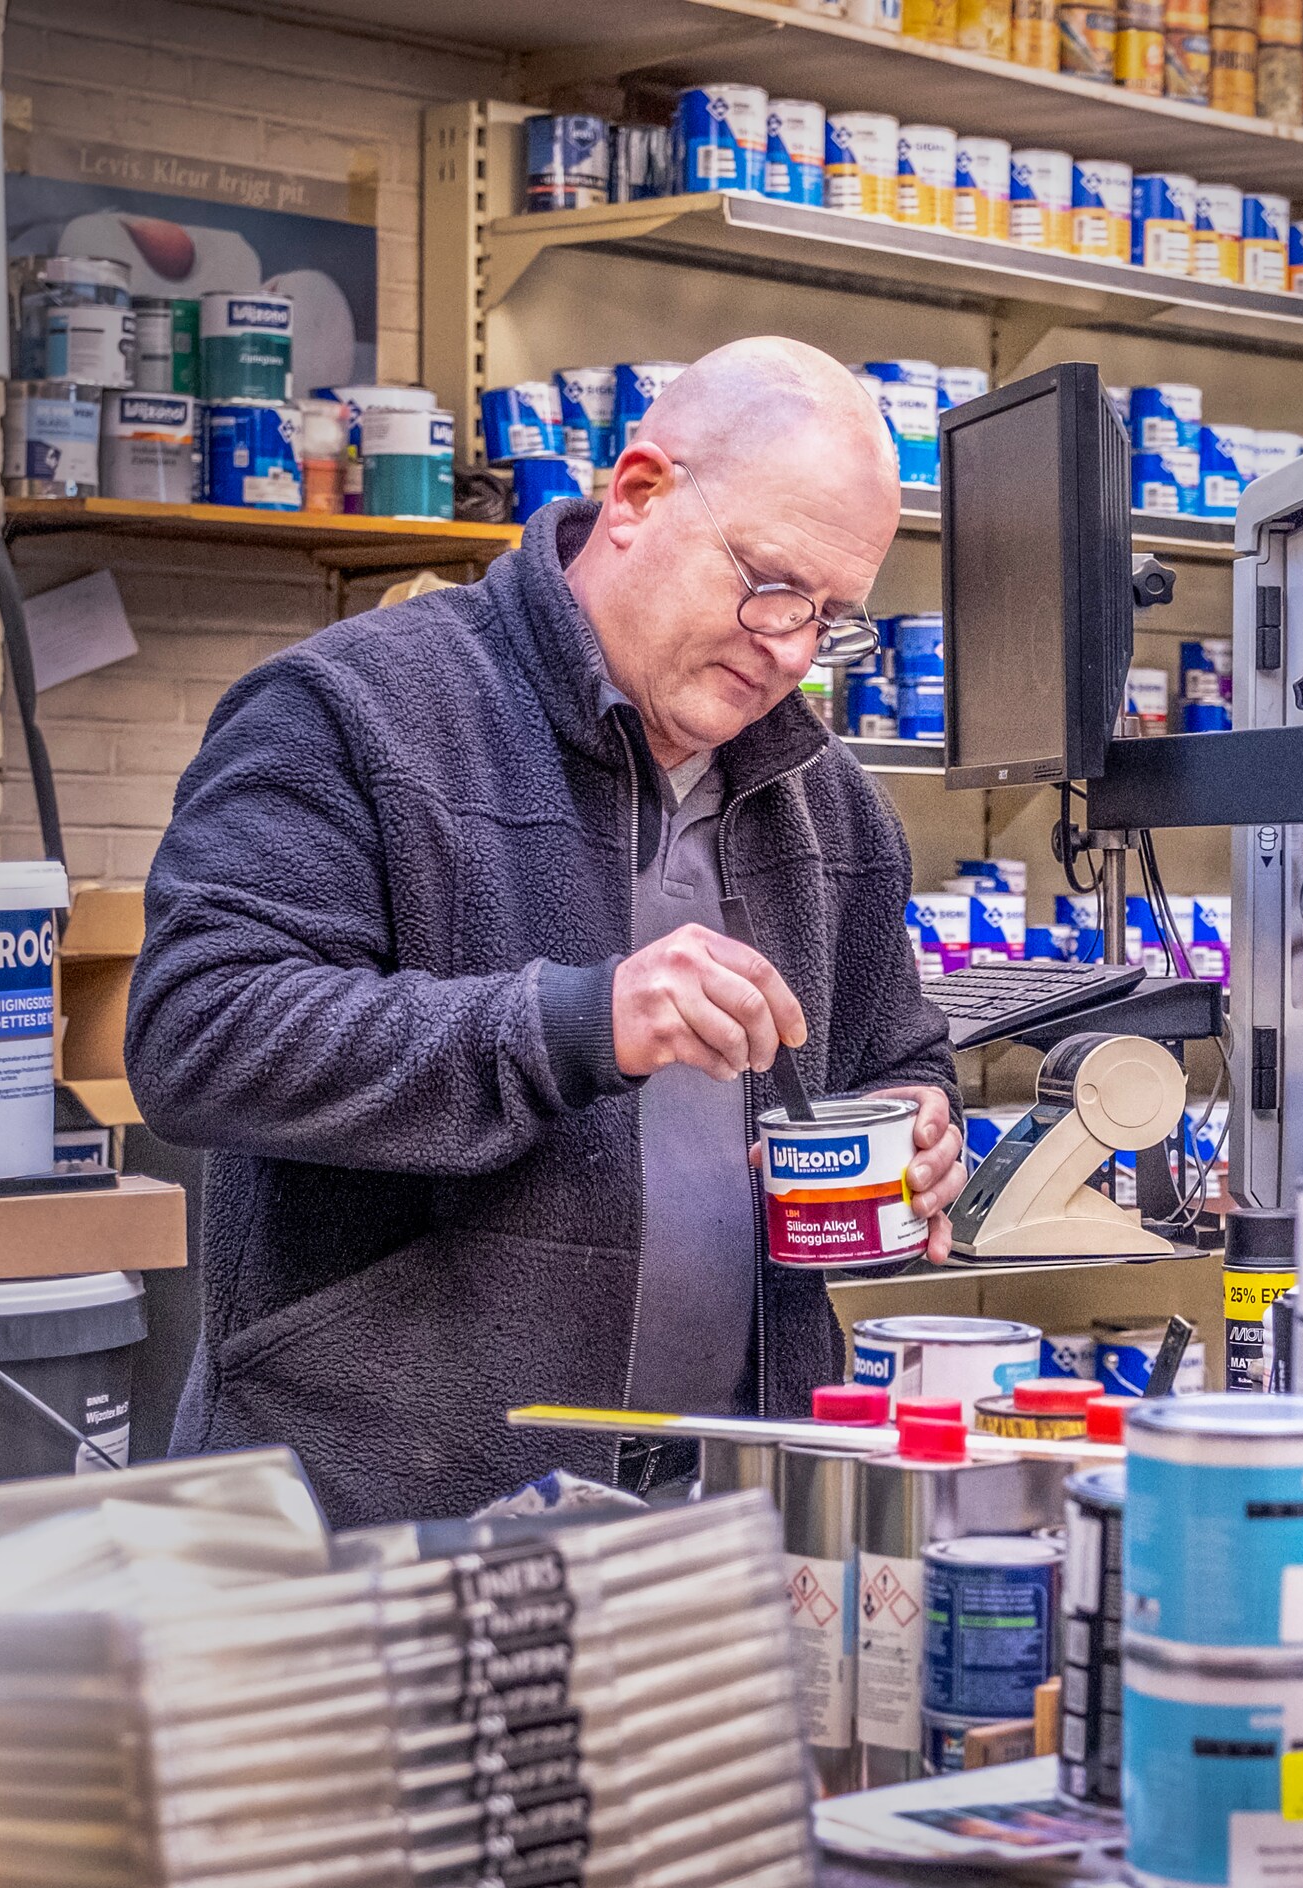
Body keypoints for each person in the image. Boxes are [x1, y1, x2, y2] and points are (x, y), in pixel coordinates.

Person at [128, 338, 965, 1523]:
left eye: (830, 617)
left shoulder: (828, 805)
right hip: (378, 1525)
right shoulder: (351, 711)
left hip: (717, 1521)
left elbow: (896, 1054)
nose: (789, 647)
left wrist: (923, 1131)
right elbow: (199, 1035)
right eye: (772, 584)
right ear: (637, 494)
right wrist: (571, 1023)